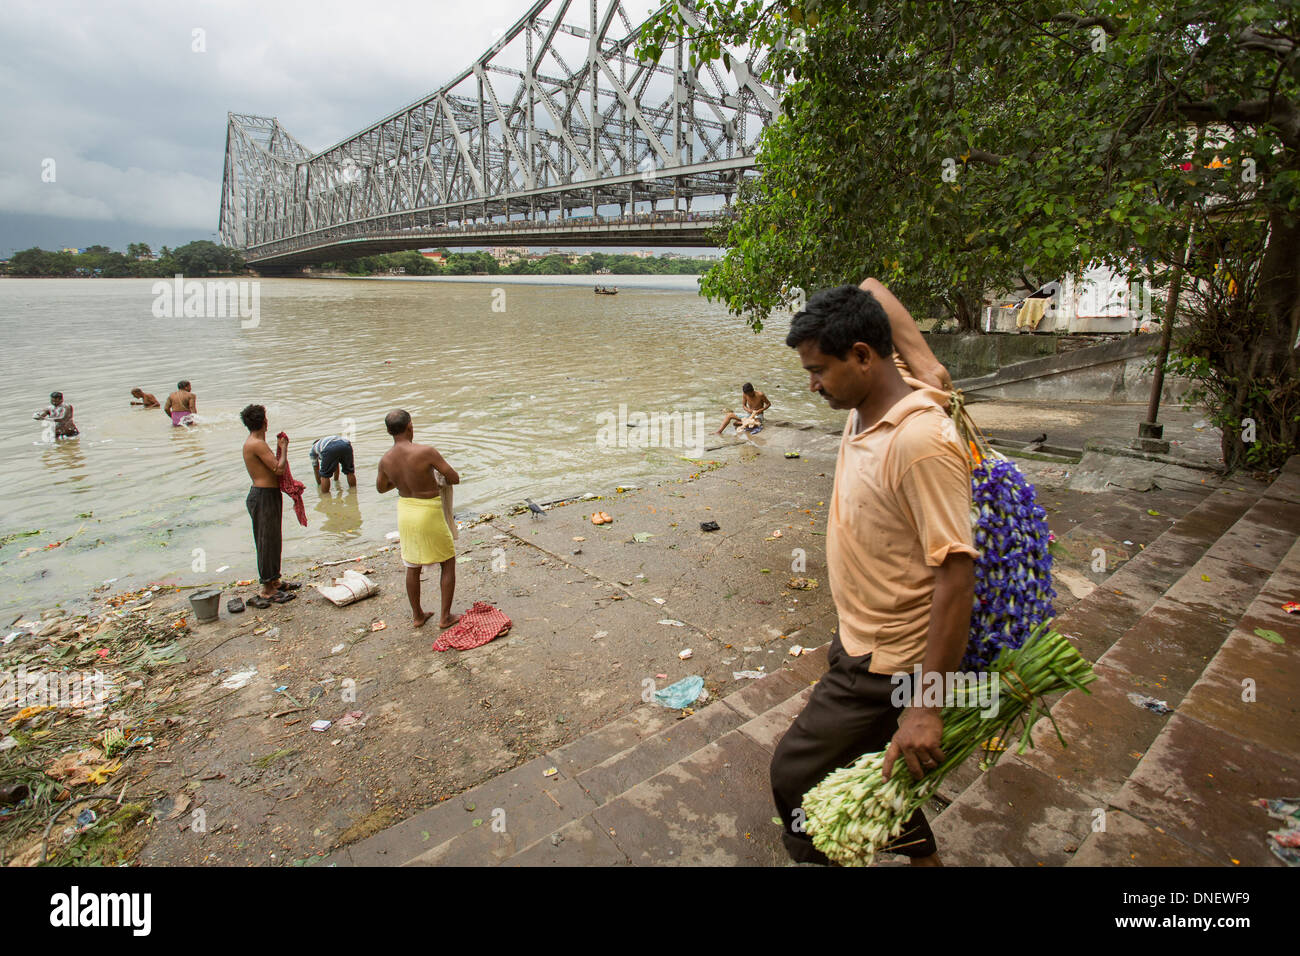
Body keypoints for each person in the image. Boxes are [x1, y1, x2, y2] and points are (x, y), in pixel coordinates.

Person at [770, 284, 977, 867]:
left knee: (794, 776)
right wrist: (932, 363)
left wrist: (928, 705)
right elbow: (869, 290)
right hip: (857, 638)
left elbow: (957, 576)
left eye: (819, 371)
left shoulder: (919, 439)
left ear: (863, 356)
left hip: (889, 663)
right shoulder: (870, 405)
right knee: (874, 765)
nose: (812, 385)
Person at [376, 409, 460, 629]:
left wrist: (402, 479)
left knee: (412, 565)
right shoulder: (426, 452)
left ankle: (418, 616)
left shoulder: (385, 459)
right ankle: (445, 617)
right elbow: (453, 477)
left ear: (388, 431)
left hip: (405, 511)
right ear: (410, 426)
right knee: (447, 561)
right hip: (428, 510)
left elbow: (381, 488)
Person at [240, 404, 296, 606]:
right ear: (264, 422)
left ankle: (274, 580)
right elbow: (278, 469)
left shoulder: (256, 442)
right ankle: (266, 589)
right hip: (263, 496)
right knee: (266, 541)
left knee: (273, 539)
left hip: (267, 495)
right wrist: (283, 448)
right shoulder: (256, 444)